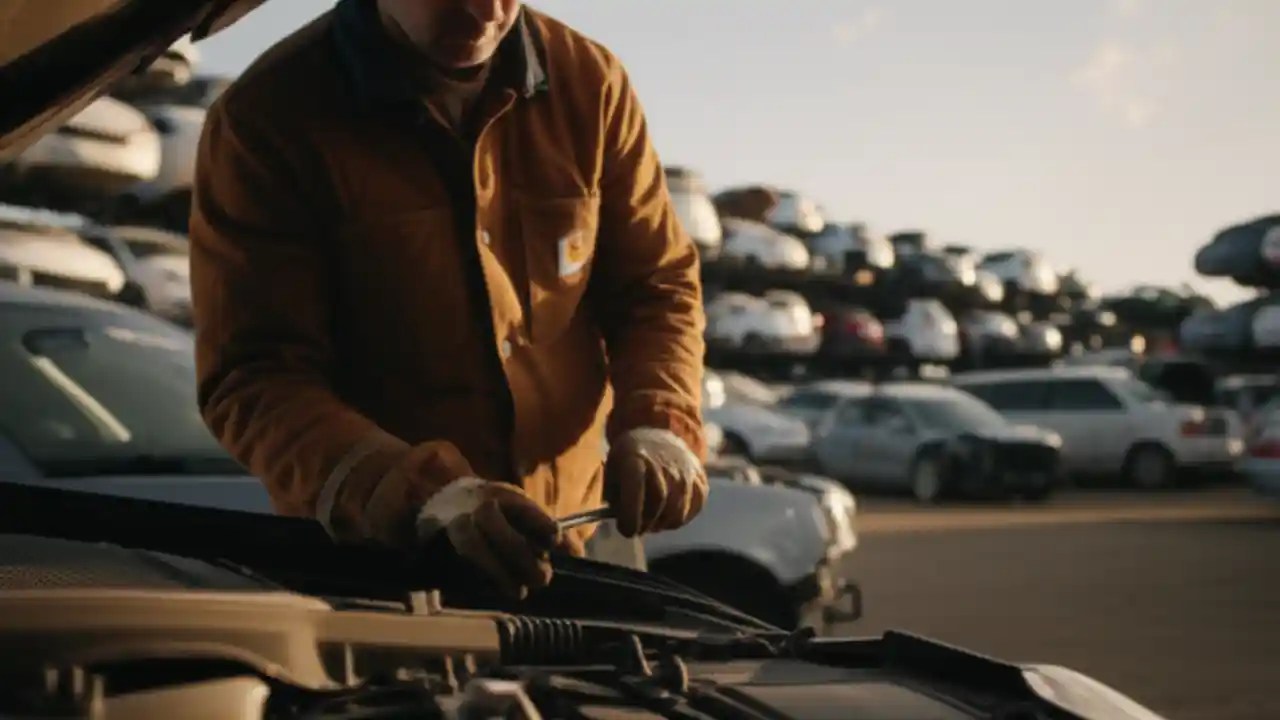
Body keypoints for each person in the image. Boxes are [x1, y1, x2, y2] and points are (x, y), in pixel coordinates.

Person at [188, 0, 709, 600]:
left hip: (582, 544)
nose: (485, 11)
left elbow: (656, 286)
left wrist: (661, 423)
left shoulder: (592, 85)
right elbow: (256, 378)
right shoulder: (267, 120)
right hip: (383, 572)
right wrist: (418, 496)